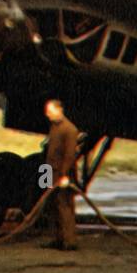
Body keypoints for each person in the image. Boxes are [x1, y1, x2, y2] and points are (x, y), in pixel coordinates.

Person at [43, 99, 80, 251]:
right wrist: (43, 177)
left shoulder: (69, 129)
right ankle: (56, 239)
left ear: (60, 110)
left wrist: (65, 176)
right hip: (48, 171)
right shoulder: (54, 127)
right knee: (51, 205)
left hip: (61, 173)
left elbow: (70, 155)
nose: (47, 114)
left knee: (64, 205)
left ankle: (69, 241)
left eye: (50, 111)